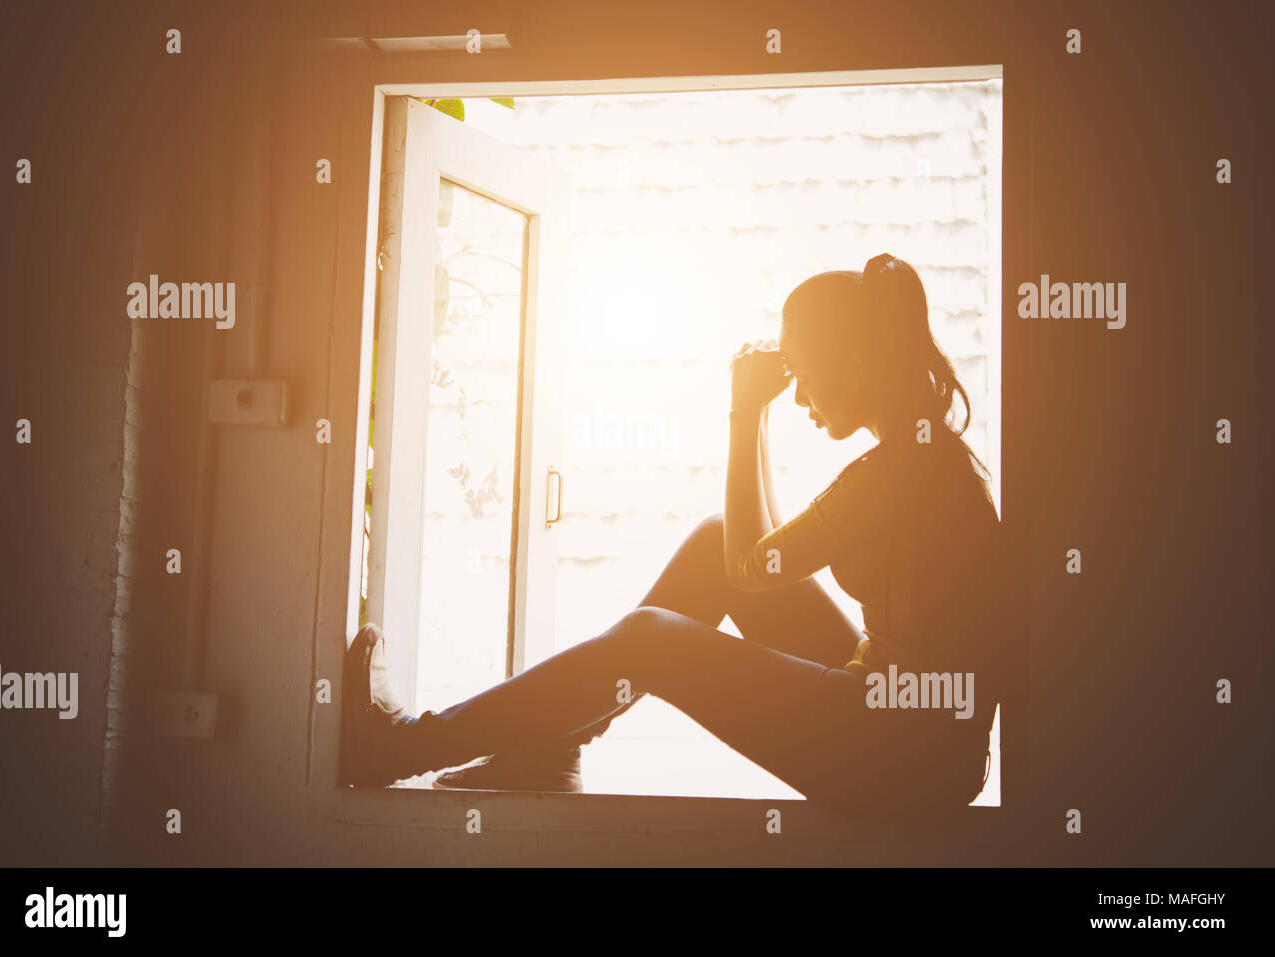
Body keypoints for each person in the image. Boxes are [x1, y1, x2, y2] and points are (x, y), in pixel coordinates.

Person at [342, 252, 1012, 820]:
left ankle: (403, 746)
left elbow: (755, 565)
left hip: (905, 754)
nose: (802, 395)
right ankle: (550, 746)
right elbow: (751, 556)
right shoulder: (925, 456)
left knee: (650, 640)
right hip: (916, 733)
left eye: (806, 371)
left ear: (858, 359)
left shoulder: (894, 473)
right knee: (715, 541)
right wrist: (752, 415)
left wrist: (745, 413)